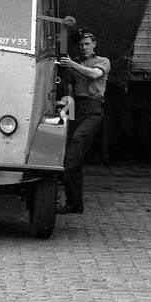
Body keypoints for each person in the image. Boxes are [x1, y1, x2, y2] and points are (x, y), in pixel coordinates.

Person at [56, 29, 110, 214]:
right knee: (73, 156)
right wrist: (66, 116)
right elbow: (69, 90)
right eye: (81, 45)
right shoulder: (74, 65)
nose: (84, 47)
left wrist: (71, 64)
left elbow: (94, 75)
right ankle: (74, 204)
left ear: (94, 44)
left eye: (87, 44)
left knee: (75, 148)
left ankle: (61, 194)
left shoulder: (102, 61)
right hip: (74, 107)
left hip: (93, 109)